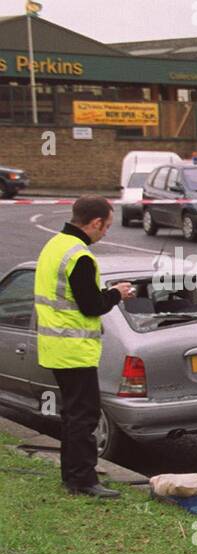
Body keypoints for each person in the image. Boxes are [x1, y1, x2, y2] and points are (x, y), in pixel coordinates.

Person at [34, 195, 137, 498]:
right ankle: (83, 480)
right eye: (105, 226)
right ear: (94, 223)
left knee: (72, 414)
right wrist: (116, 294)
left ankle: (72, 475)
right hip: (73, 349)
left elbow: (71, 298)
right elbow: (91, 306)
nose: (106, 232)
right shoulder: (79, 256)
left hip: (55, 346)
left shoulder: (55, 245)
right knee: (85, 415)